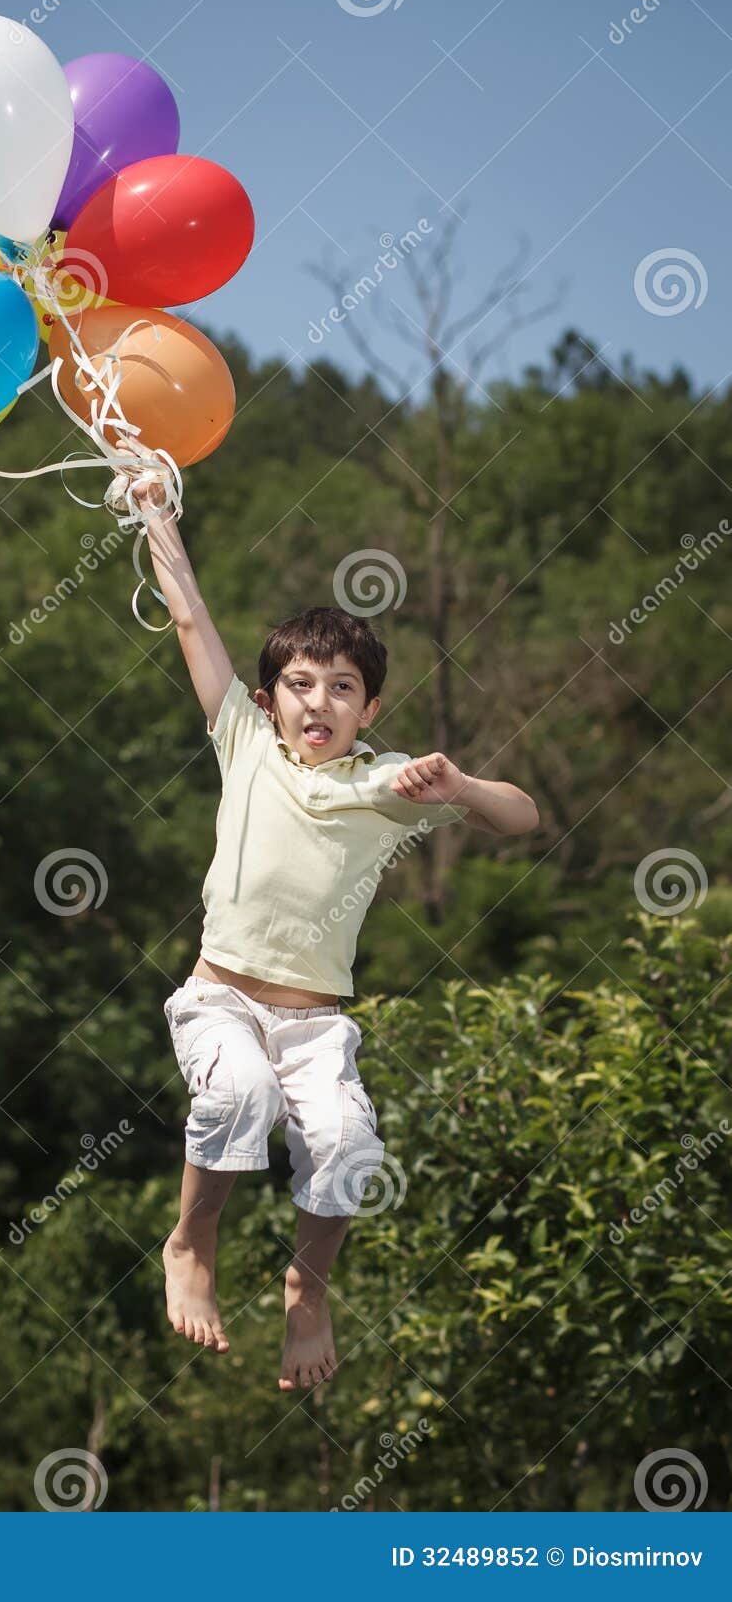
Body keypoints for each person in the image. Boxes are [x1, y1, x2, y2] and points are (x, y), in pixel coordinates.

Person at [128, 475, 539, 1391]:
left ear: (370, 710)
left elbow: (522, 816)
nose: (317, 702)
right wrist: (156, 514)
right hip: (222, 999)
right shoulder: (241, 739)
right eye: (299, 685)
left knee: (350, 1146)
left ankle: (305, 1289)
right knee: (236, 1095)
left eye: (341, 688)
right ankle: (190, 1243)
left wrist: (462, 791)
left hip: (315, 1022)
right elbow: (192, 621)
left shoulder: (393, 783)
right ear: (270, 698)